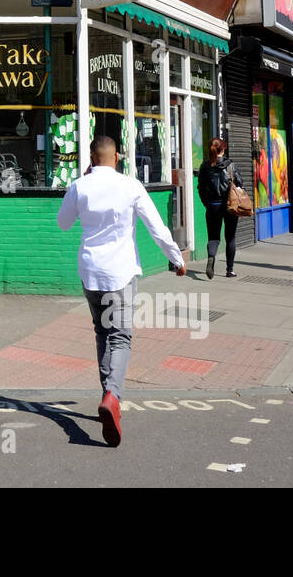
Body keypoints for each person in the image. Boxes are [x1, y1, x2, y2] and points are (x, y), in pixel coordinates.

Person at [56, 135, 185, 448]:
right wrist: (177, 259)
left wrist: (82, 189)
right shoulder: (130, 185)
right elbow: (157, 227)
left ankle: (107, 396)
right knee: (121, 336)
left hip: (90, 272)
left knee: (102, 333)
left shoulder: (79, 186)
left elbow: (63, 223)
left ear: (91, 157)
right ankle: (112, 396)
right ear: (117, 158)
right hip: (121, 272)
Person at [196, 137, 243, 280]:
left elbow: (200, 187)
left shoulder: (205, 166)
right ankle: (230, 270)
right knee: (230, 238)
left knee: (213, 237)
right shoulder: (231, 166)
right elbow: (240, 183)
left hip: (212, 206)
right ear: (223, 149)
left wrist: (206, 202)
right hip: (230, 206)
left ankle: (211, 258)